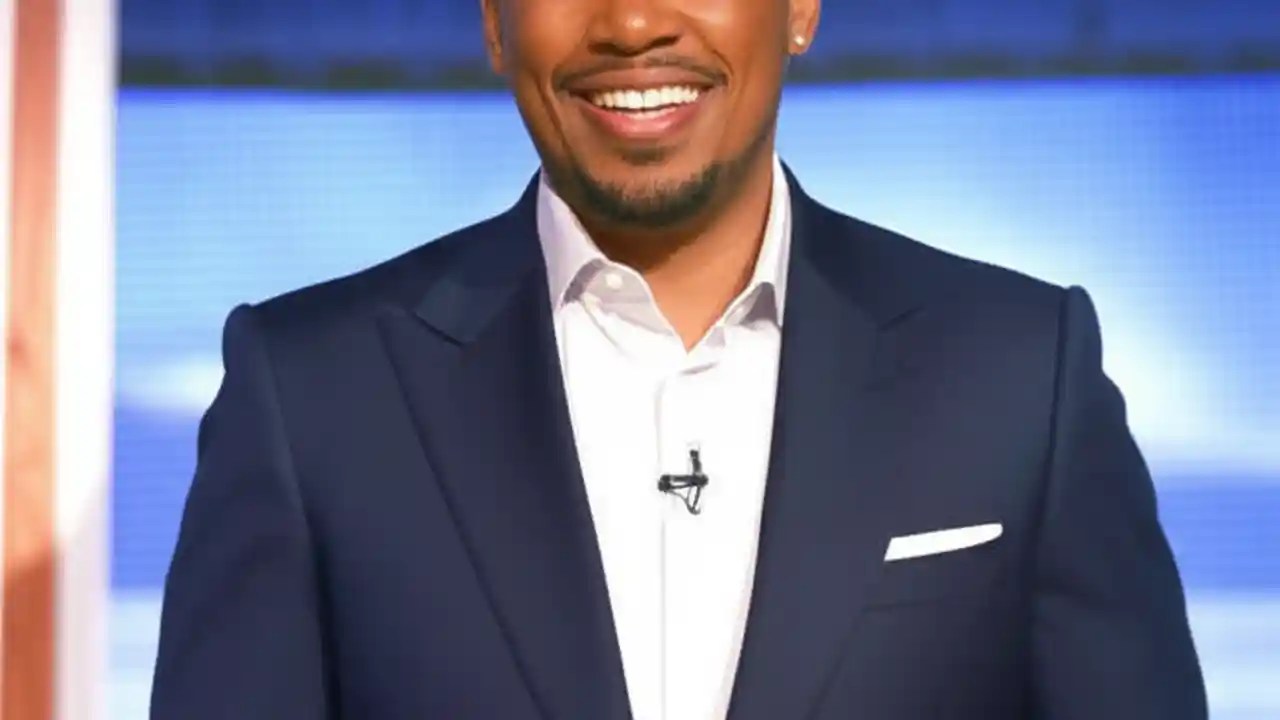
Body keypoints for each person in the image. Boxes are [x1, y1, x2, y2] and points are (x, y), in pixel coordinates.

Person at [149, 0, 1207, 718]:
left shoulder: (1019, 373)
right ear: (490, 23)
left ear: (798, 6)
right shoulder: (311, 393)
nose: (634, 22)